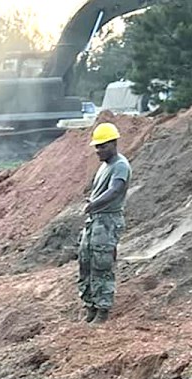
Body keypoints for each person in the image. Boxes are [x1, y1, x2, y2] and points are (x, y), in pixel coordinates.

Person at [78, 122, 132, 324]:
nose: (98, 150)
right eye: (97, 146)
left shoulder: (120, 166)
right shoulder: (105, 166)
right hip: (95, 222)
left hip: (107, 221)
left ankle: (102, 311)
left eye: (102, 146)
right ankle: (90, 306)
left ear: (113, 143)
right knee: (86, 263)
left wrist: (94, 204)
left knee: (102, 265)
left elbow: (115, 190)